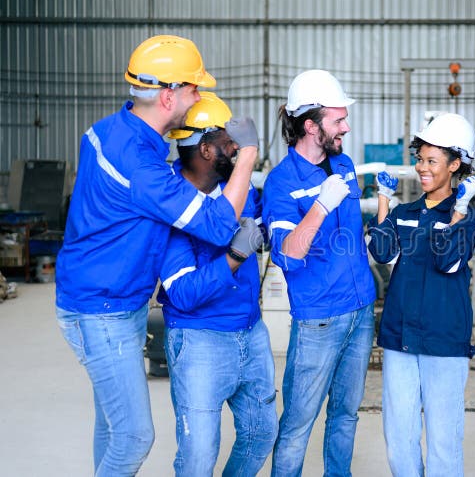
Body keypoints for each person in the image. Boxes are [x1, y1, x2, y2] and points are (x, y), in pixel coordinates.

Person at [54, 34, 259, 476]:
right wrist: (247, 157)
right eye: (193, 89)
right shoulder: (143, 168)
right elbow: (218, 225)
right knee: (133, 436)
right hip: (102, 309)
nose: (198, 97)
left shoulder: (107, 131)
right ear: (168, 95)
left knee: (112, 428)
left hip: (103, 298)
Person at [262, 69, 376, 477]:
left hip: (361, 310)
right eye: (338, 120)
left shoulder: (343, 163)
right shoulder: (280, 183)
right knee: (297, 424)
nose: (346, 127)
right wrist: (321, 206)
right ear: (311, 126)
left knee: (346, 415)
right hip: (319, 321)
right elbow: (287, 256)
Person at [157, 92, 277, 476]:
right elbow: (183, 293)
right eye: (230, 143)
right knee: (198, 455)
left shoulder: (240, 187)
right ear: (206, 150)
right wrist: (234, 256)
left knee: (261, 434)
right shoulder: (169, 202)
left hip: (250, 331)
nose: (237, 149)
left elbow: (258, 222)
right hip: (199, 339)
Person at [367, 113, 475, 477]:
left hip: (443, 339)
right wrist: (383, 200)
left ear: (455, 165)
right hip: (400, 335)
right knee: (399, 438)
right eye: (420, 159)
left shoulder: (470, 216)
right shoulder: (406, 212)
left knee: (443, 440)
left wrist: (460, 209)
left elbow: (449, 262)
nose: (422, 168)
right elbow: (382, 253)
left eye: (432, 161)